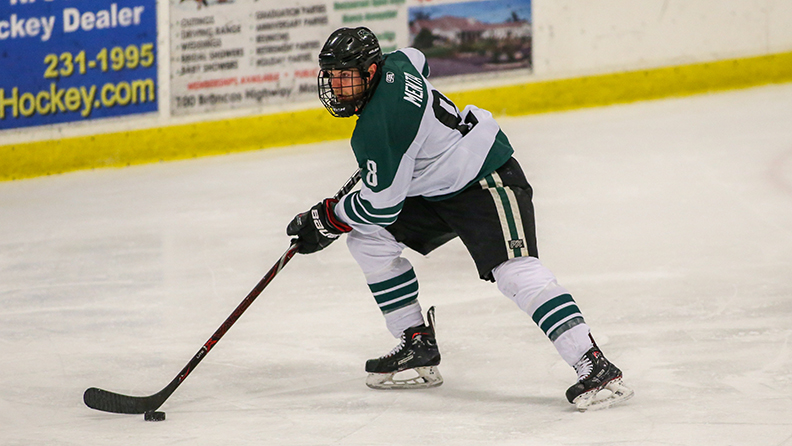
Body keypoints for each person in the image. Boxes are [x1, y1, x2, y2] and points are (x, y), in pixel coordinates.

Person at [286, 26, 633, 411]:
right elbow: (419, 58)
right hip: (436, 189)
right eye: (332, 76)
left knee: (514, 271)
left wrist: (329, 218)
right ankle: (415, 343)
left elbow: (382, 205)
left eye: (346, 76)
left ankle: (595, 365)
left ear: (370, 71)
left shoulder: (379, 127)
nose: (337, 86)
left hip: (486, 178)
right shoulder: (397, 63)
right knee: (369, 240)